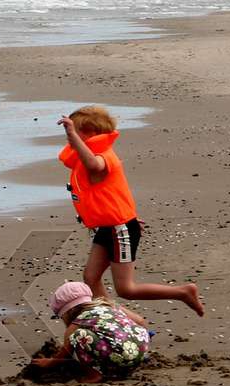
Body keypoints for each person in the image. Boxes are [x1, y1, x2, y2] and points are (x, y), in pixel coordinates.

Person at [58, 105, 204, 314]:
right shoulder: (88, 157)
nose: (69, 138)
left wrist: (73, 137)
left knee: (126, 289)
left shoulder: (105, 156)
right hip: (109, 228)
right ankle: (120, 318)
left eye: (76, 131)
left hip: (120, 229)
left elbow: (94, 166)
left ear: (92, 134)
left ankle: (182, 292)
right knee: (90, 278)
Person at [31, 281, 151, 382]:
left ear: (67, 312)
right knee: (111, 339)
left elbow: (66, 351)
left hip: (121, 356)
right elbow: (140, 321)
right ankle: (132, 360)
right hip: (140, 351)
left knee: (78, 337)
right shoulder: (108, 306)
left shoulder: (76, 323)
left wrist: (50, 362)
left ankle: (93, 375)